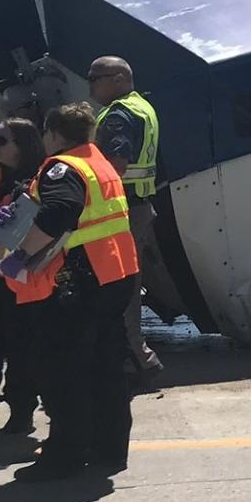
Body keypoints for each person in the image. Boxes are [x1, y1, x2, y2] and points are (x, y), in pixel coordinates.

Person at [0, 102, 140, 481]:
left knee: (64, 368)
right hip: (116, 273)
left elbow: (61, 210)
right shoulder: (99, 163)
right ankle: (110, 448)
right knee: (105, 364)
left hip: (80, 279)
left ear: (54, 134)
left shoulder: (61, 168)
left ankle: (64, 455)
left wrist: (23, 252)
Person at [88, 55, 165, 383]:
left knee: (120, 288)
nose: (90, 84)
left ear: (119, 78)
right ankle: (133, 356)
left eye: (96, 78)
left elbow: (115, 164)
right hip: (136, 208)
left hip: (122, 212)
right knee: (126, 285)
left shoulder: (119, 115)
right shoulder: (142, 107)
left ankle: (136, 358)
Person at [0, 119, 44, 436]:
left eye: (3, 140)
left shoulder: (39, 181)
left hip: (18, 278)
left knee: (21, 349)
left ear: (23, 145)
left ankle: (21, 414)